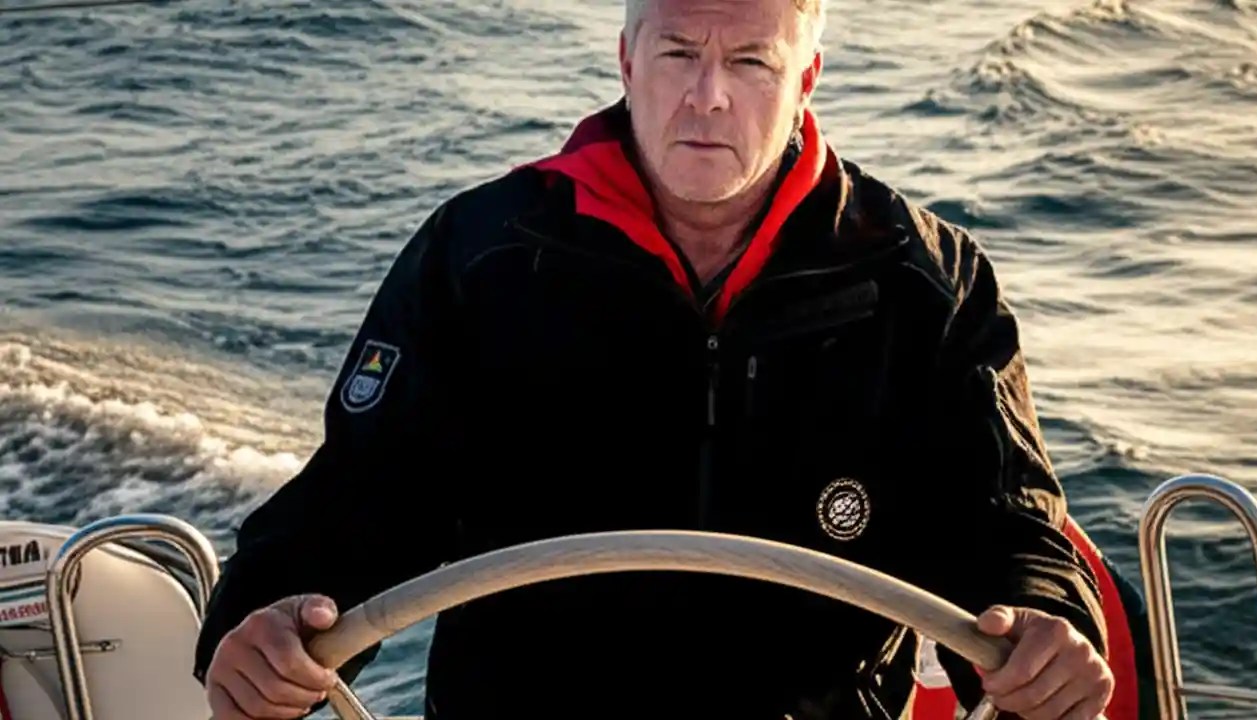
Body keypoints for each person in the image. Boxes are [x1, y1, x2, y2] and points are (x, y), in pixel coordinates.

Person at [193, 0, 1118, 718]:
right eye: (679, 52)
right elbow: (361, 498)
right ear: (627, 60)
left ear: (807, 80)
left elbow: (1007, 532)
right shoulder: (482, 255)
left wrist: (1045, 630)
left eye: (750, 61)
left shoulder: (926, 284)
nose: (706, 95)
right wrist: (265, 620)